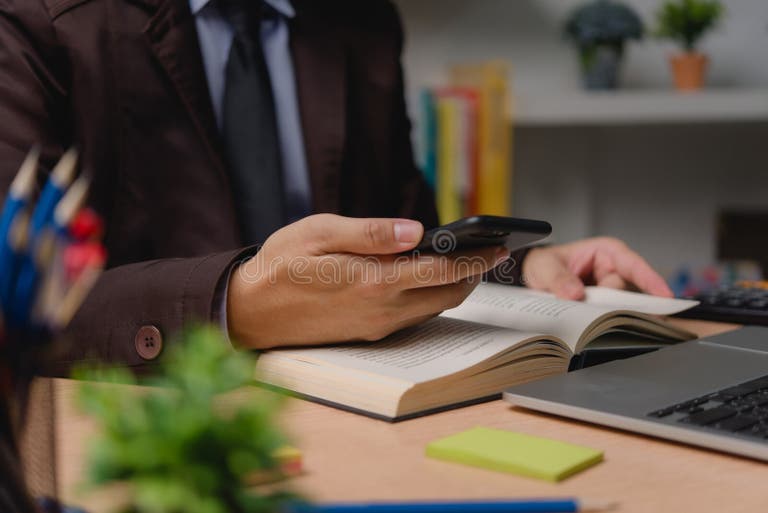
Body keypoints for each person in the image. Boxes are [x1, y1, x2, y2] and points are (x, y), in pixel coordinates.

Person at [0, 0, 672, 368]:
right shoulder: (31, 21)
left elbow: (408, 240)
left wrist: (516, 269)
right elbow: (14, 297)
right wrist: (234, 305)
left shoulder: (362, 21)